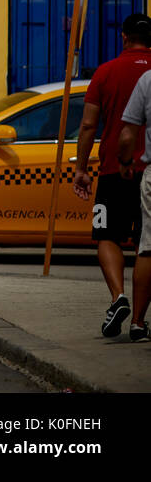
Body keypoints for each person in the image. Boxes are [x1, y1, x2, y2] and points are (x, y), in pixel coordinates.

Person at [74, 13, 151, 338]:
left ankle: (118, 296)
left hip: (112, 169)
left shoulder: (105, 72)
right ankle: (138, 322)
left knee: (107, 236)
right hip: (148, 170)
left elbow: (89, 125)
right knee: (145, 246)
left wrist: (80, 168)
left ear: (123, 38)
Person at [114, 71, 151, 342]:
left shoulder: (148, 80)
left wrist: (125, 163)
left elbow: (127, 135)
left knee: (148, 247)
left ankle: (138, 322)